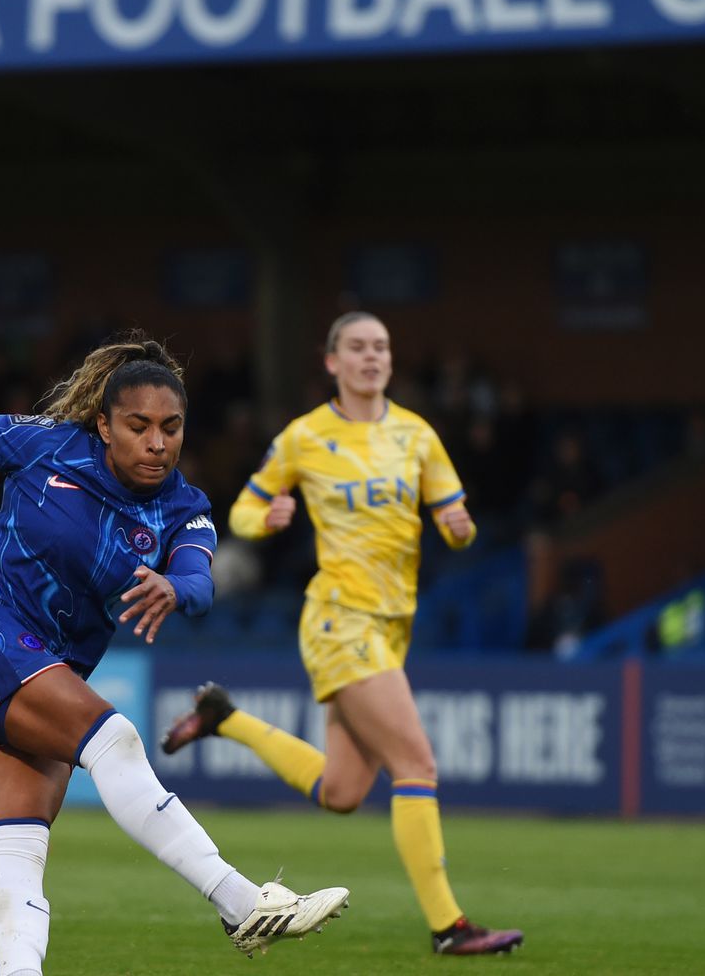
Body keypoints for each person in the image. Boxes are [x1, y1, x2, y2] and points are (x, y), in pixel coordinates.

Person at [0, 335, 350, 973]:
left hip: (40, 668)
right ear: (104, 424)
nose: (157, 443)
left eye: (171, 428)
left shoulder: (185, 510)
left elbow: (200, 583)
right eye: (139, 426)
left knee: (17, 848)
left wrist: (176, 586)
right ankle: (240, 903)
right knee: (114, 739)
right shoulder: (49, 443)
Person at [161, 311, 523, 957]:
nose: (371, 356)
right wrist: (267, 518)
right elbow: (243, 510)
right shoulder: (305, 437)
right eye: (357, 346)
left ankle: (225, 720)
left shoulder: (417, 435)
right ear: (332, 362)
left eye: (381, 346)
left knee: (343, 793)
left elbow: (454, 520)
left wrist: (460, 527)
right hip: (338, 618)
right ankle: (450, 926)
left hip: (391, 623)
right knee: (417, 763)